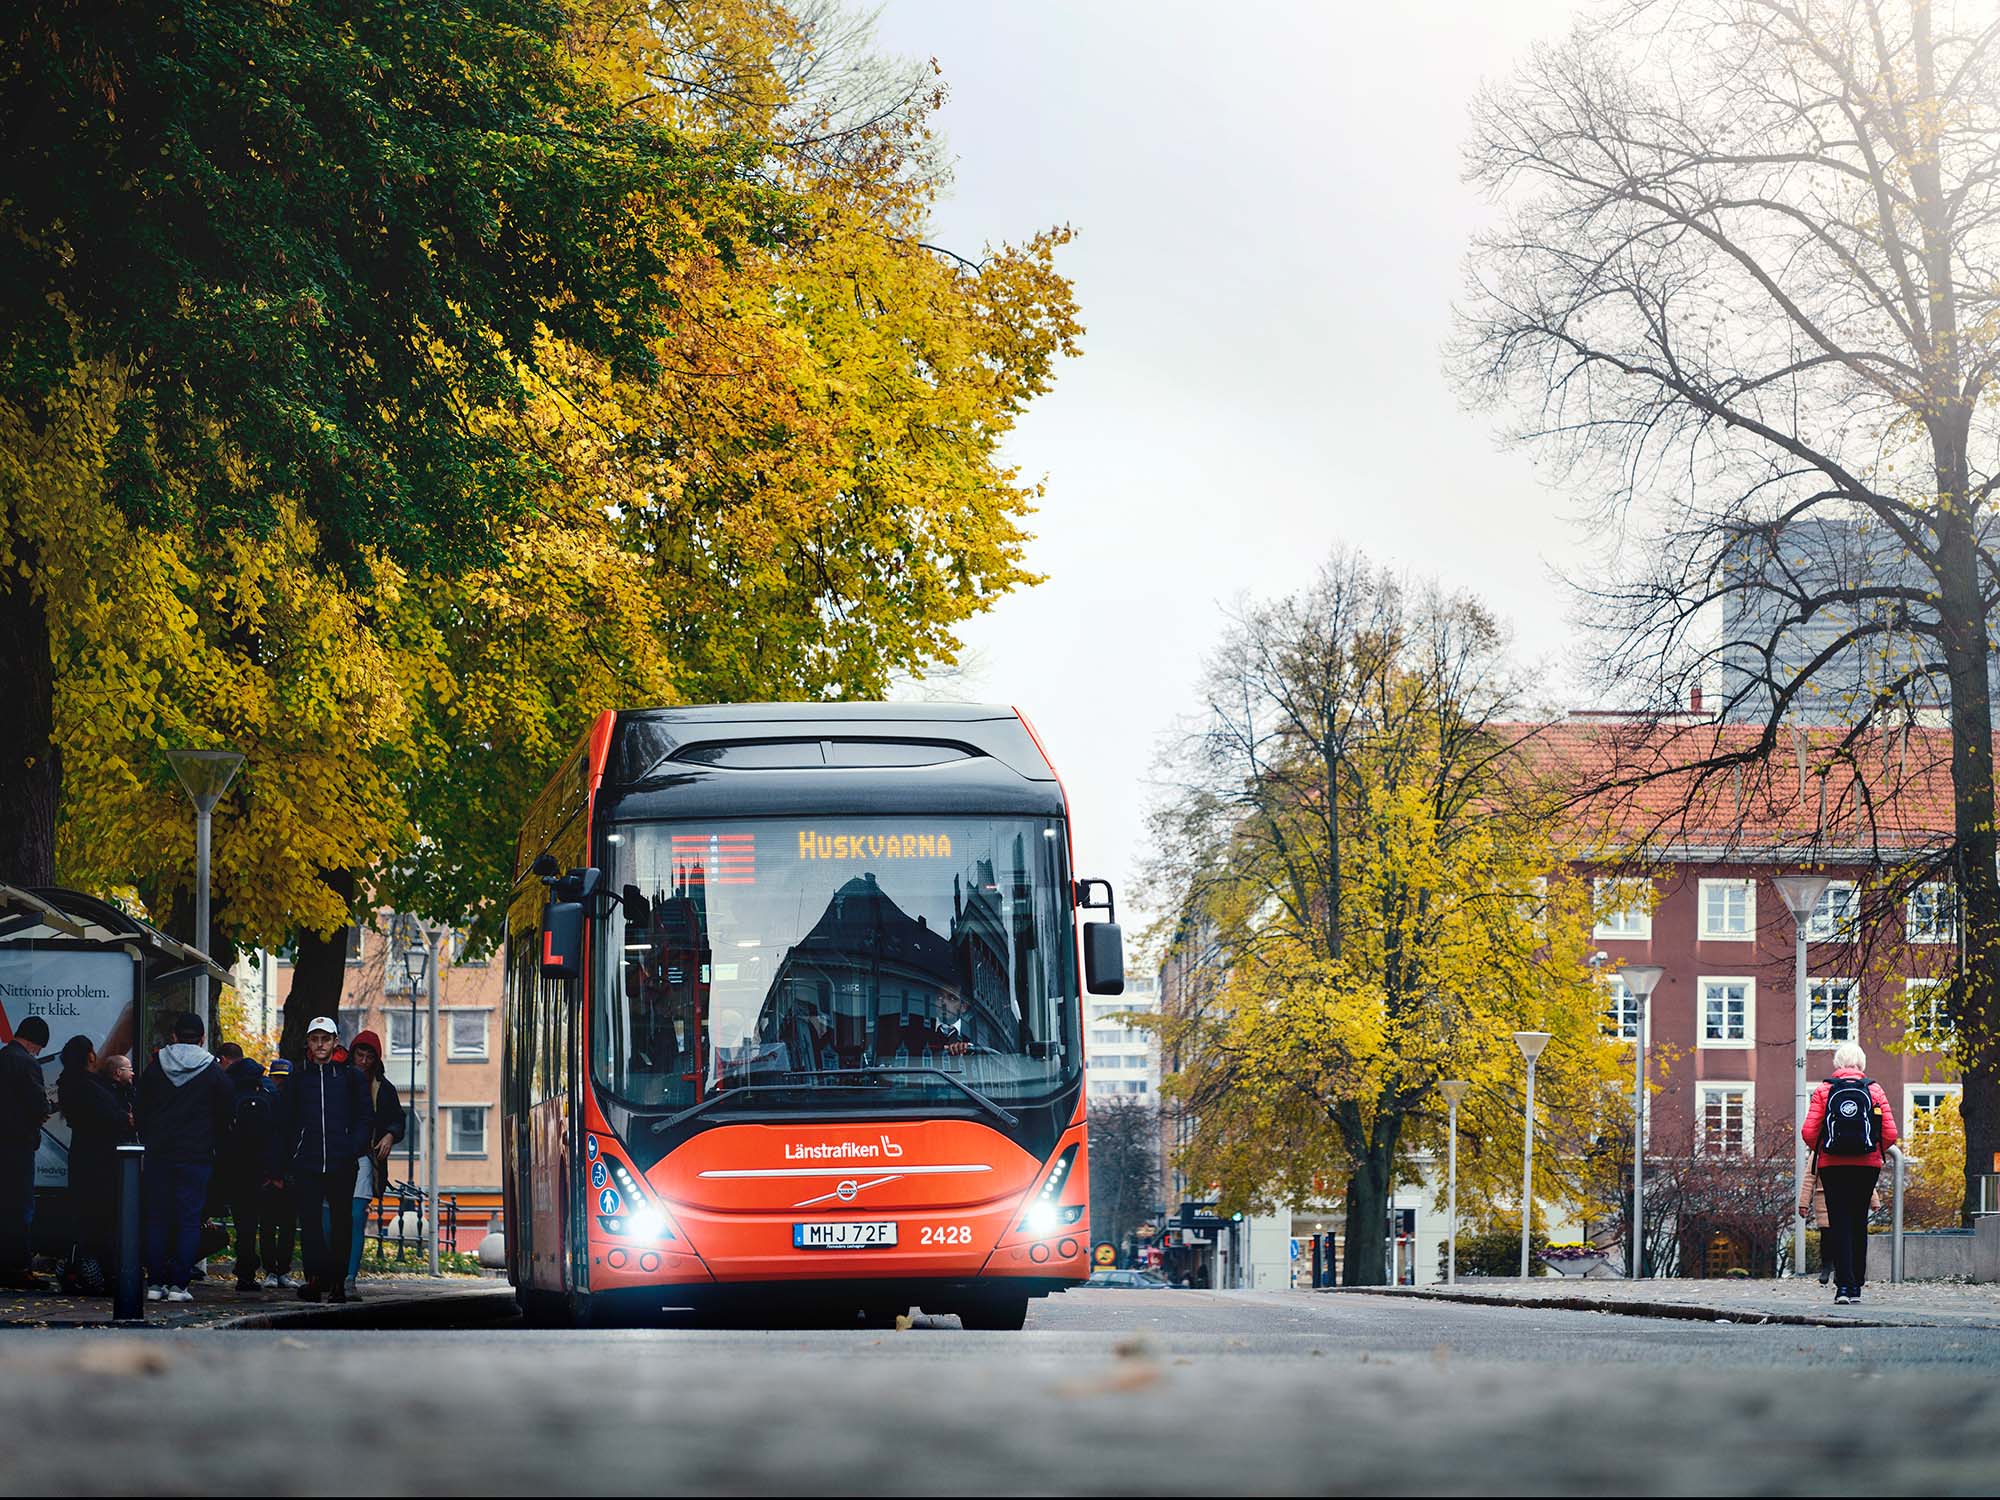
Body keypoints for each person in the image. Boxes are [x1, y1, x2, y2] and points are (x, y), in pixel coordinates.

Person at [135, 1011, 234, 1302]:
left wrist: (150, 1137)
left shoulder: (156, 1067)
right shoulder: (212, 1071)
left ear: (174, 1036)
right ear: (202, 1038)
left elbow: (140, 1107)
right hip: (195, 1155)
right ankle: (179, 1285)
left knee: (156, 1218)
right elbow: (226, 1112)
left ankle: (154, 1284)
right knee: (189, 1219)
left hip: (159, 1154)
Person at [274, 1017, 371, 1303]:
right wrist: (288, 1159)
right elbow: (284, 1122)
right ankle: (315, 1280)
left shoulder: (349, 1077)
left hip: (342, 1162)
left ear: (335, 1042)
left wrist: (353, 1147)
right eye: (315, 1039)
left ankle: (338, 1283)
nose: (320, 1044)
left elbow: (365, 1116)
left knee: (342, 1223)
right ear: (308, 1043)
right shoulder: (298, 1079)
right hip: (307, 1162)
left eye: (325, 1039)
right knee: (311, 1224)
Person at [1802, 1040, 1899, 1305]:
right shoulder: (1874, 1090)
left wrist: (1823, 1150)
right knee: (1858, 1222)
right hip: (1867, 1166)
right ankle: (1857, 1284)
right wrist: (1875, 1150)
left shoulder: (1824, 1090)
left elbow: (1808, 1132)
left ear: (1837, 1064)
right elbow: (1890, 1133)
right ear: (1861, 1065)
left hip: (1832, 1165)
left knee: (1839, 1224)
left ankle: (1842, 1287)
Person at [55, 1036, 123, 1294]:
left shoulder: (68, 1083)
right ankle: (98, 1271)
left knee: (84, 1212)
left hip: (82, 1153)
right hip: (100, 1155)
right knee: (102, 1213)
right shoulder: (89, 1086)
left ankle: (80, 1266)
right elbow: (108, 1115)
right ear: (88, 1055)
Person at [342, 1030, 405, 1299]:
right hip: (332, 1157)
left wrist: (390, 1134)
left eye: (369, 1057)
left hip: (365, 1158)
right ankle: (325, 1274)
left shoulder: (384, 1088)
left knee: (356, 1217)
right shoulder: (336, 1078)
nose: (364, 1061)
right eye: (360, 1054)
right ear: (352, 1054)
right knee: (327, 1220)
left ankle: (349, 1278)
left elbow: (398, 1119)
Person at [0, 1016, 53, 1290]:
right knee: (20, 1207)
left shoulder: (2, 1057)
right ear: (35, 1042)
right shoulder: (28, 1063)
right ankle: (19, 1268)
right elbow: (38, 1105)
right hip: (19, 1143)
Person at [218, 1051, 278, 1291]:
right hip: (261, 1169)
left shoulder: (229, 1094)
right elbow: (276, 1133)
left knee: (244, 1224)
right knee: (266, 1223)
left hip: (235, 1167)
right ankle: (263, 1268)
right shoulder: (267, 1093)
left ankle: (245, 1272)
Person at [259, 1059, 299, 1288]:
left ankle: (279, 1271)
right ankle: (275, 1271)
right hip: (274, 1174)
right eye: (277, 1077)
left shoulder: (275, 1103)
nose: (280, 1082)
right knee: (272, 1226)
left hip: (282, 1174)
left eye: (283, 1078)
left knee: (283, 1227)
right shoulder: (271, 1103)